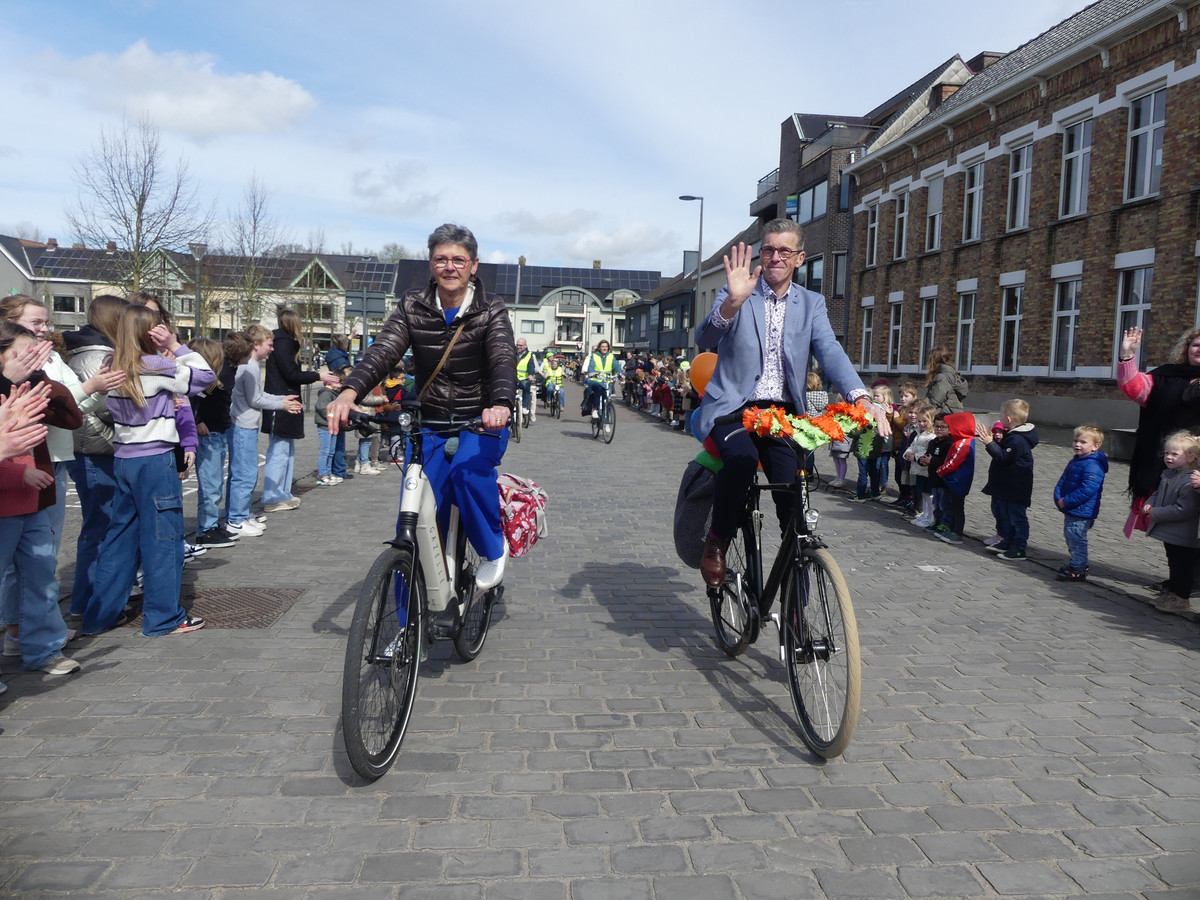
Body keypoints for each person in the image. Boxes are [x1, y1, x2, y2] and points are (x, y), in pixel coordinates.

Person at [692, 220, 890, 587]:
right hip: (733, 409)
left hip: (782, 414)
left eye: (784, 251)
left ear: (799, 258)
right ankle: (716, 541)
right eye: (768, 249)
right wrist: (732, 302)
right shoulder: (737, 291)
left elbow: (830, 351)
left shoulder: (811, 303)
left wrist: (861, 397)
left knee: (793, 506)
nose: (775, 257)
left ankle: (797, 614)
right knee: (741, 460)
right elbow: (705, 337)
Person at [327, 223, 516, 591]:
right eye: (441, 259)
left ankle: (493, 549)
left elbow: (502, 358)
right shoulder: (413, 304)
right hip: (428, 421)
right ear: (431, 264)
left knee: (465, 473)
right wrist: (350, 392)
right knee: (414, 519)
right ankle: (405, 630)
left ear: (473, 265)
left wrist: (501, 403)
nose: (450, 267)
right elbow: (384, 350)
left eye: (458, 260)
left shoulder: (491, 308)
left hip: (480, 421)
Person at [83, 306, 213, 637]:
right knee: (163, 539)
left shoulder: (110, 365)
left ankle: (100, 615)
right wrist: (178, 345)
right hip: (155, 461)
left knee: (119, 538)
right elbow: (205, 377)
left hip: (124, 459)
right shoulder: (158, 365)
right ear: (149, 332)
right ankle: (164, 617)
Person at [0, 322, 83, 674]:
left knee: (41, 576)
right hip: (5, 499)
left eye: (36, 352)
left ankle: (44, 649)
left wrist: (39, 377)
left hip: (34, 499)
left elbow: (71, 417)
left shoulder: (34, 384)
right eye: (23, 352)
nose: (32, 358)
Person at [1118, 326, 1200, 534]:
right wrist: (1127, 354)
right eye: (1196, 345)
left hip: (1196, 463)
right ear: (1187, 348)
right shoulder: (1167, 375)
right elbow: (1133, 386)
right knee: (1170, 527)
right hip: (1165, 462)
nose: (1199, 350)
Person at [227, 327, 302, 537]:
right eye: (269, 345)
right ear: (256, 345)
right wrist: (282, 405)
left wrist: (281, 399)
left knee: (245, 473)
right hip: (242, 426)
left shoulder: (251, 366)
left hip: (247, 425)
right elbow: (255, 399)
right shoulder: (249, 367)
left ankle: (241, 514)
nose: (272, 349)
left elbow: (259, 394)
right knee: (245, 474)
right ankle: (237, 518)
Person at [262, 309, 338, 512]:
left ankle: (282, 493)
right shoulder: (284, 342)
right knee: (279, 451)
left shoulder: (282, 341)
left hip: (285, 397)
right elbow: (291, 373)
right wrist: (318, 376)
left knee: (286, 449)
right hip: (282, 398)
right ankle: (273, 496)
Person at [189, 337, 239, 549]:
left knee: (215, 483)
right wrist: (197, 421)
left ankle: (211, 524)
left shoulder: (213, 381)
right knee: (210, 485)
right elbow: (190, 401)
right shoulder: (200, 383)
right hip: (208, 434)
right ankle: (206, 530)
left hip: (218, 431)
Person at [1141, 431, 1200, 613]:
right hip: (1171, 532)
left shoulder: (1190, 480)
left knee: (1182, 567)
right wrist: (1150, 503)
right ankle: (1172, 593)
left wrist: (1157, 513)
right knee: (1173, 563)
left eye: (1175, 454)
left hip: (1183, 534)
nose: (1168, 457)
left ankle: (1181, 599)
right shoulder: (1169, 474)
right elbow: (1159, 493)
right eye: (1167, 453)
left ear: (1191, 458)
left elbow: (1184, 510)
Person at [977, 399, 1039, 561]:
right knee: (1005, 514)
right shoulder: (1012, 436)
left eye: (1001, 414)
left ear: (1009, 419)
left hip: (1016, 488)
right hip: (1005, 486)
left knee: (1016, 517)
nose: (1000, 417)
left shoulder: (1017, 439)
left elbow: (1004, 457)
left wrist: (990, 444)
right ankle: (1007, 541)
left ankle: (1019, 548)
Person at [1054, 425, 1108, 582]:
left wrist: (1067, 500)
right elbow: (1064, 480)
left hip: (1081, 510)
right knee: (1071, 536)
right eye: (1075, 440)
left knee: (1077, 538)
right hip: (1072, 508)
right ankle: (1076, 563)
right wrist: (1058, 496)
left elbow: (1088, 489)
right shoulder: (1078, 460)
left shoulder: (1093, 465)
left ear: (1095, 446)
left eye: (1083, 442)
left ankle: (1079, 567)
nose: (1077, 444)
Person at [931, 411, 975, 545]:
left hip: (957, 481)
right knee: (953, 506)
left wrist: (940, 470)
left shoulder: (963, 443)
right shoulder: (962, 441)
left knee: (957, 508)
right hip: (955, 480)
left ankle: (957, 533)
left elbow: (953, 463)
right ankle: (952, 530)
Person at [852, 383, 893, 501]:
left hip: (863, 448)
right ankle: (875, 493)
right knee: (874, 471)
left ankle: (860, 495)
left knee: (863, 472)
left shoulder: (867, 415)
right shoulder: (882, 413)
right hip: (875, 448)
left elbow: (856, 433)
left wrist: (851, 431)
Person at [905, 405, 937, 527]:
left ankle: (931, 517)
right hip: (919, 470)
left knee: (929, 495)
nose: (922, 424)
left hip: (926, 469)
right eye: (920, 421)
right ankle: (925, 514)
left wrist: (916, 457)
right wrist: (908, 453)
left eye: (925, 421)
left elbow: (927, 452)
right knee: (923, 493)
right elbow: (912, 446)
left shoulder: (931, 436)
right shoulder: (918, 433)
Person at [582, 340, 621, 418]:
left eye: (606, 346)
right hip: (596, 380)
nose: (604, 348)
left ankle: (605, 419)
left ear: (608, 348)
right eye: (602, 346)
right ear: (599, 348)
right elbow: (591, 365)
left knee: (606, 398)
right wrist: (591, 372)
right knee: (599, 389)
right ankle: (595, 409)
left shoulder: (611, 356)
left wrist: (621, 373)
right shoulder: (595, 356)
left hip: (606, 381)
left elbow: (616, 365)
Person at [924, 347, 968, 414]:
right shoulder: (952, 375)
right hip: (952, 415)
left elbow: (934, 401)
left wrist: (920, 409)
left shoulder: (942, 377)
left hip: (944, 417)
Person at [515, 337, 541, 425]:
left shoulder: (529, 355)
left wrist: (530, 375)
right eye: (517, 345)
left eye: (520, 345)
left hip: (523, 379)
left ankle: (524, 407)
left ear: (525, 346)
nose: (518, 347)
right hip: (513, 378)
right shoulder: (512, 354)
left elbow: (531, 366)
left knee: (527, 386)